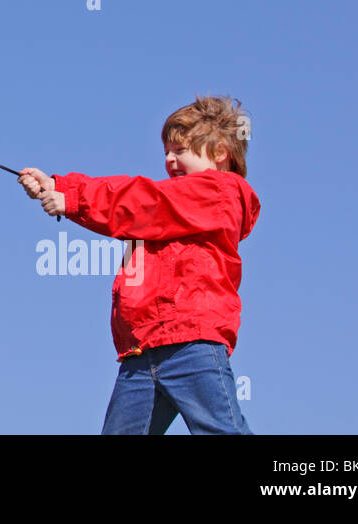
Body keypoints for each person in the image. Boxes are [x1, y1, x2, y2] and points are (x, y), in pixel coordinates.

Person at [18, 95, 260, 434]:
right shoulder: (169, 206)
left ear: (220, 152)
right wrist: (58, 185)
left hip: (192, 345)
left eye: (181, 151)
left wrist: (71, 197)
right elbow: (133, 207)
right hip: (140, 351)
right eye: (166, 153)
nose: (170, 160)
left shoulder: (220, 193)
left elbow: (142, 202)